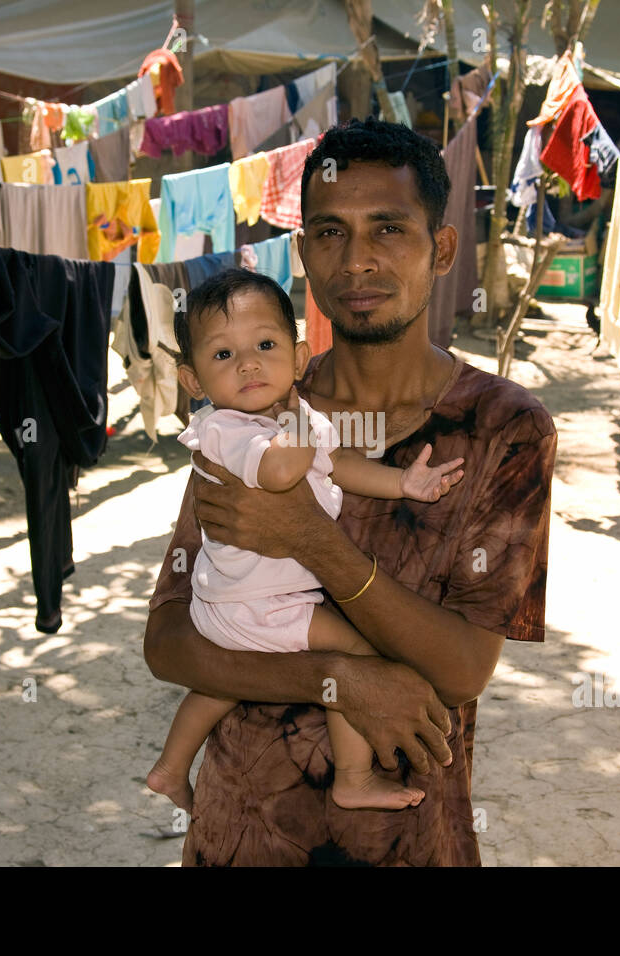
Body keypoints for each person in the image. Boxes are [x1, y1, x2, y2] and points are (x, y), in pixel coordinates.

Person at [143, 117, 557, 866]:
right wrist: (338, 680)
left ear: (441, 250)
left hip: (410, 841)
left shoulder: (505, 428)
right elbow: (171, 642)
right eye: (331, 233)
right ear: (304, 255)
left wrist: (309, 539)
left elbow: (462, 670)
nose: (357, 261)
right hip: (242, 836)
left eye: (389, 229)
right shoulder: (251, 409)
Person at [147, 268, 465, 813]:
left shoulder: (292, 418)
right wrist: (296, 418)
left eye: (265, 345)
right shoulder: (225, 428)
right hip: (256, 603)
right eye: (223, 355)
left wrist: (402, 483)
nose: (249, 363)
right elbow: (280, 474)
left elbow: (336, 464)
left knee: (227, 682)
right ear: (193, 381)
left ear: (297, 358)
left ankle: (170, 767)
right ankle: (355, 777)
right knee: (358, 657)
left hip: (243, 599)